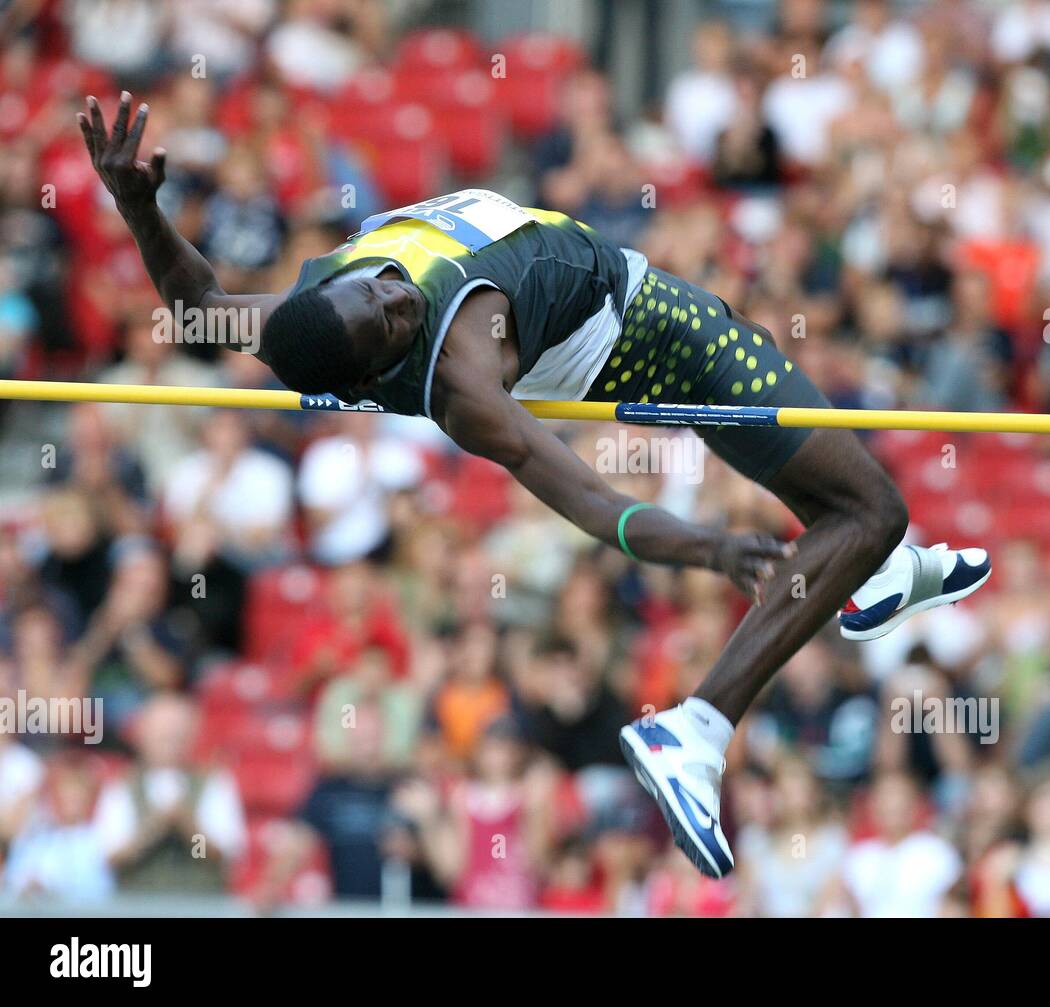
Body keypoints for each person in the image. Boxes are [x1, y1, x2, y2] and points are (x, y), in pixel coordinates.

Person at [77, 92, 992, 879]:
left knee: (852, 519)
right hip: (656, 334)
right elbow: (589, 498)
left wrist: (138, 209)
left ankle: (876, 577)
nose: (397, 297)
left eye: (378, 291)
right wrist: (708, 546)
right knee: (870, 508)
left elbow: (194, 304)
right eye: (390, 323)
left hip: (625, 300)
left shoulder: (303, 315)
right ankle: (700, 728)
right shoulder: (462, 376)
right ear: (377, 369)